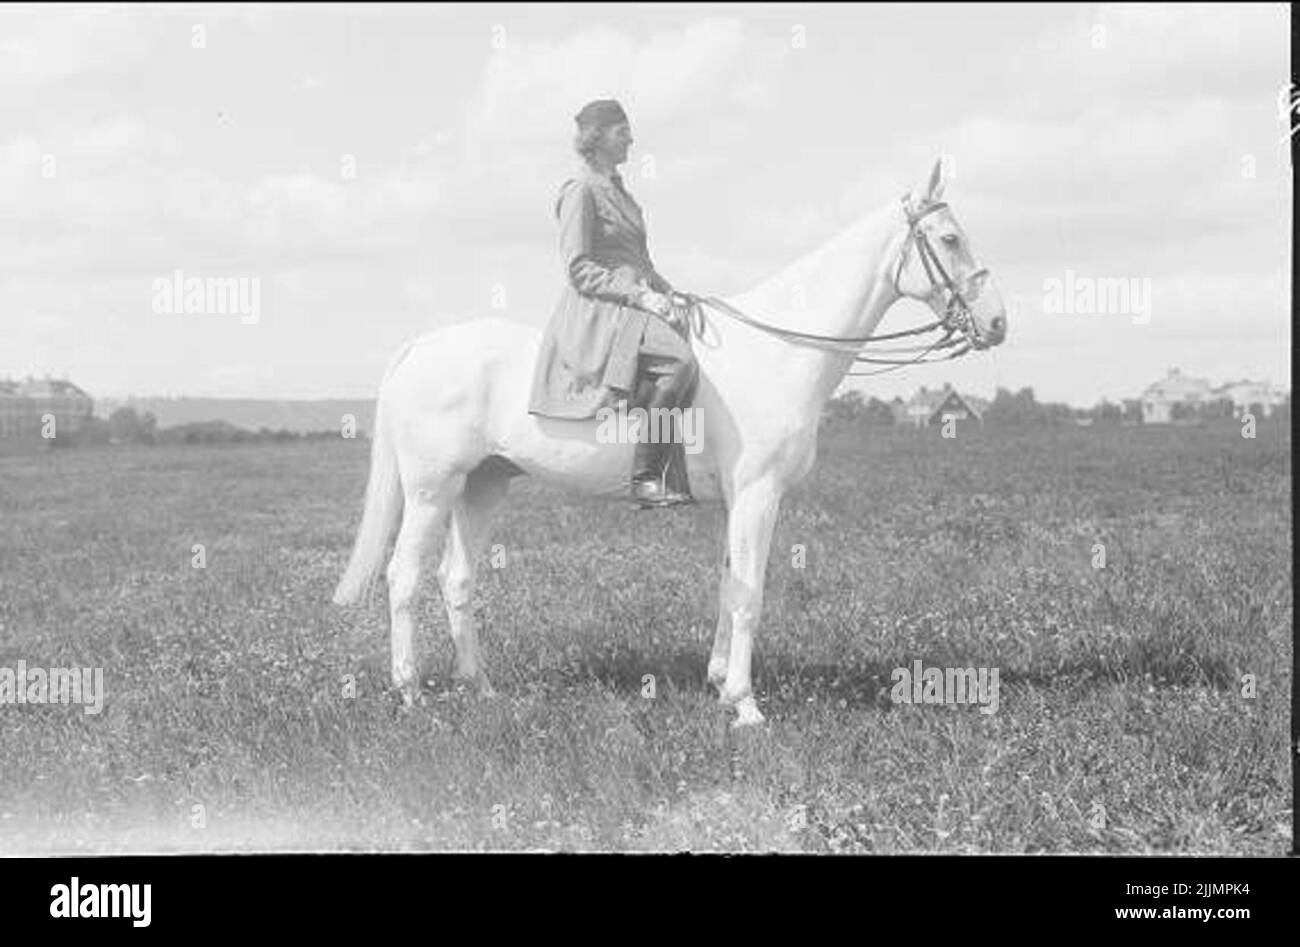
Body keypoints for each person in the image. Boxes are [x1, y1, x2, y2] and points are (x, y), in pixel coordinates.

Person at [527, 99, 697, 508]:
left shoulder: (622, 194)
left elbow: (641, 262)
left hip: (635, 300)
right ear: (597, 139)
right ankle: (645, 478)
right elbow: (579, 268)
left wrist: (668, 292)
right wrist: (640, 295)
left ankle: (682, 465)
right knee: (680, 363)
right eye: (623, 133)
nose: (631, 140)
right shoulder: (580, 191)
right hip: (601, 307)